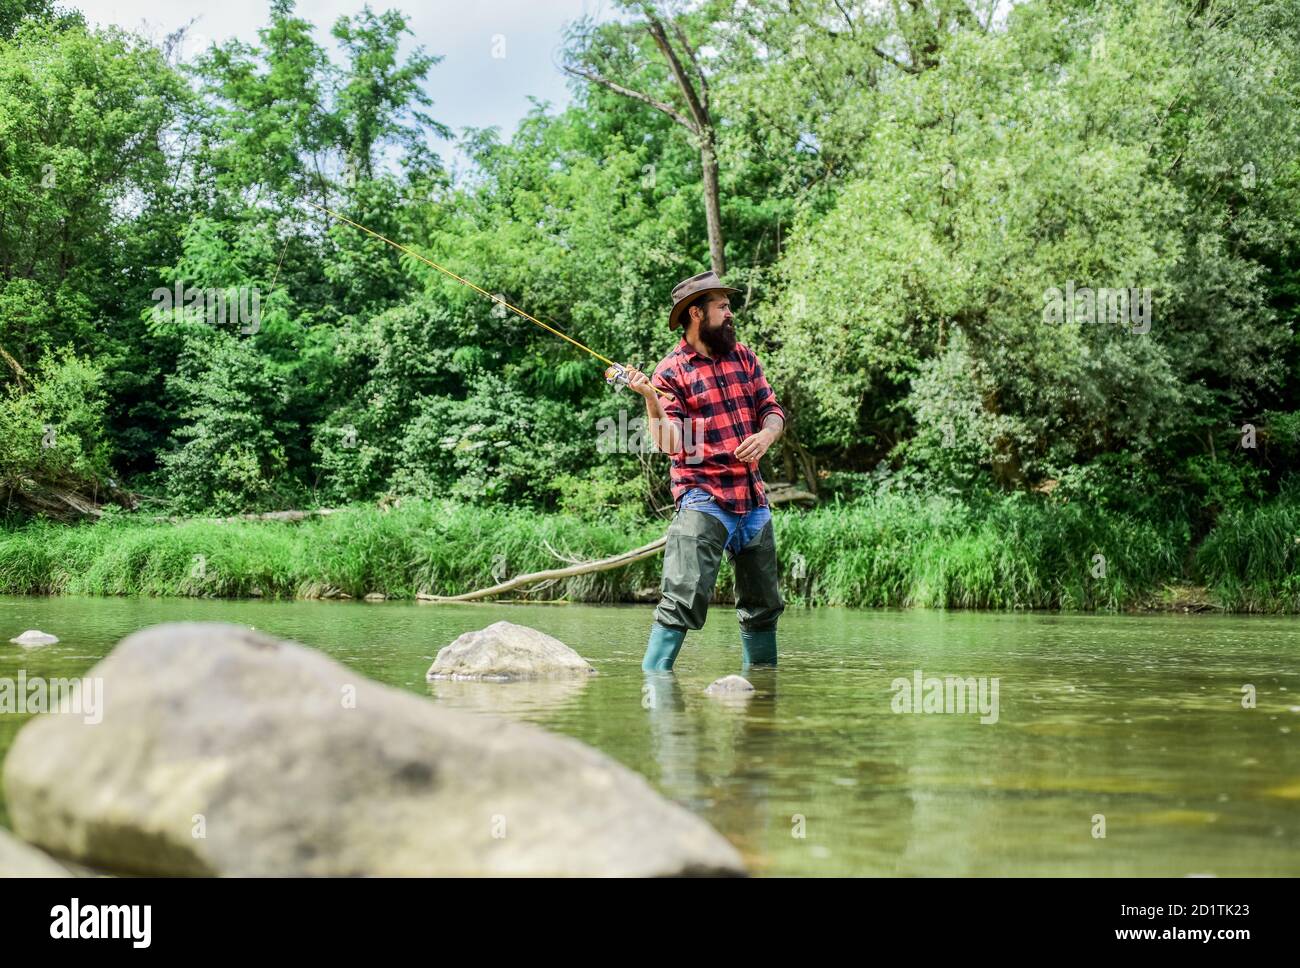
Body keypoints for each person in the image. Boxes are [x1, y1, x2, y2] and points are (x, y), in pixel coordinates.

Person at [625, 270, 786, 671]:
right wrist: (649, 398)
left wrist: (766, 437)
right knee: (682, 598)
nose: (730, 313)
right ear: (696, 313)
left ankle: (762, 695)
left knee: (764, 606)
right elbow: (672, 445)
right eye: (723, 306)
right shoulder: (670, 372)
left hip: (752, 498)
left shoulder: (744, 357)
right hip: (702, 497)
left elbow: (772, 411)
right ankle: (655, 685)